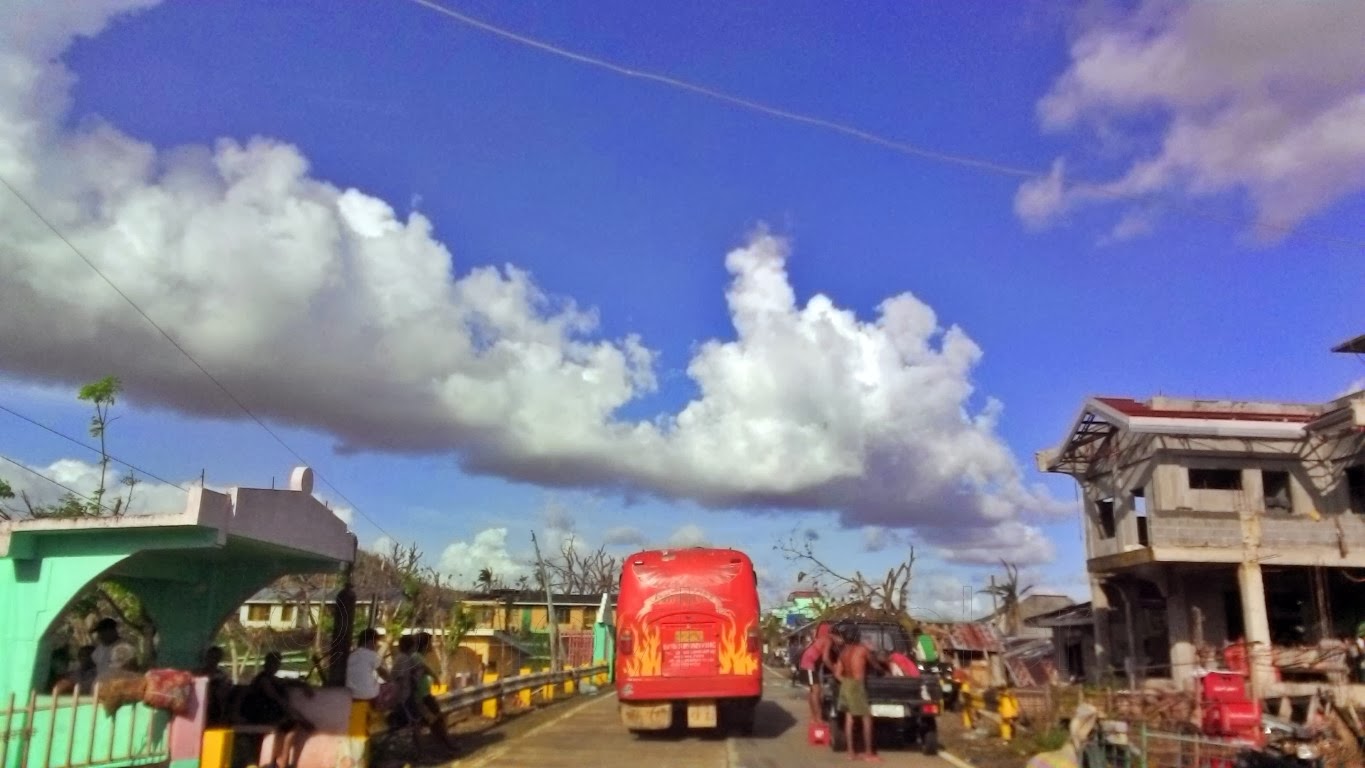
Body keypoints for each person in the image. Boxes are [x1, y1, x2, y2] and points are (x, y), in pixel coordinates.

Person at [237, 652, 314, 768]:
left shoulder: (274, 679)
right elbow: (278, 700)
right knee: (292, 725)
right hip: (259, 714)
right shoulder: (263, 680)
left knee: (292, 726)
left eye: (277, 663)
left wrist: (303, 685)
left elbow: (288, 682)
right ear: (266, 663)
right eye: (272, 663)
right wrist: (301, 718)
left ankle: (283, 758)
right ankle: (283, 760)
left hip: (272, 714)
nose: (275, 666)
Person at [833, 624, 879, 763]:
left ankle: (850, 752)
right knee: (866, 718)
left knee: (849, 719)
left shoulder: (844, 652)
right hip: (857, 686)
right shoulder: (862, 650)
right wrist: (883, 670)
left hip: (845, 684)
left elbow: (837, 674)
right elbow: (874, 664)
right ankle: (869, 753)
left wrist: (846, 681)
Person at [798, 623, 839, 723]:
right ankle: (818, 717)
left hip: (806, 663)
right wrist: (834, 670)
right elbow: (825, 659)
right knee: (816, 692)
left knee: (813, 691)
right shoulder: (828, 640)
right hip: (808, 665)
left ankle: (814, 717)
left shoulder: (822, 638)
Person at [345, 628, 390, 717]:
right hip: (367, 694)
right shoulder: (372, 655)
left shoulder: (352, 654)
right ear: (370, 642)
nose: (376, 645)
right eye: (376, 642)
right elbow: (382, 672)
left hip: (350, 694)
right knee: (392, 687)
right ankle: (379, 710)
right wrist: (391, 680)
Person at [196, 646, 233, 726]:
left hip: (214, 709)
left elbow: (224, 696)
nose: (213, 659)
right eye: (211, 656)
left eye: (216, 657)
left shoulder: (223, 677)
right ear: (206, 657)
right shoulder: (197, 674)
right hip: (198, 705)